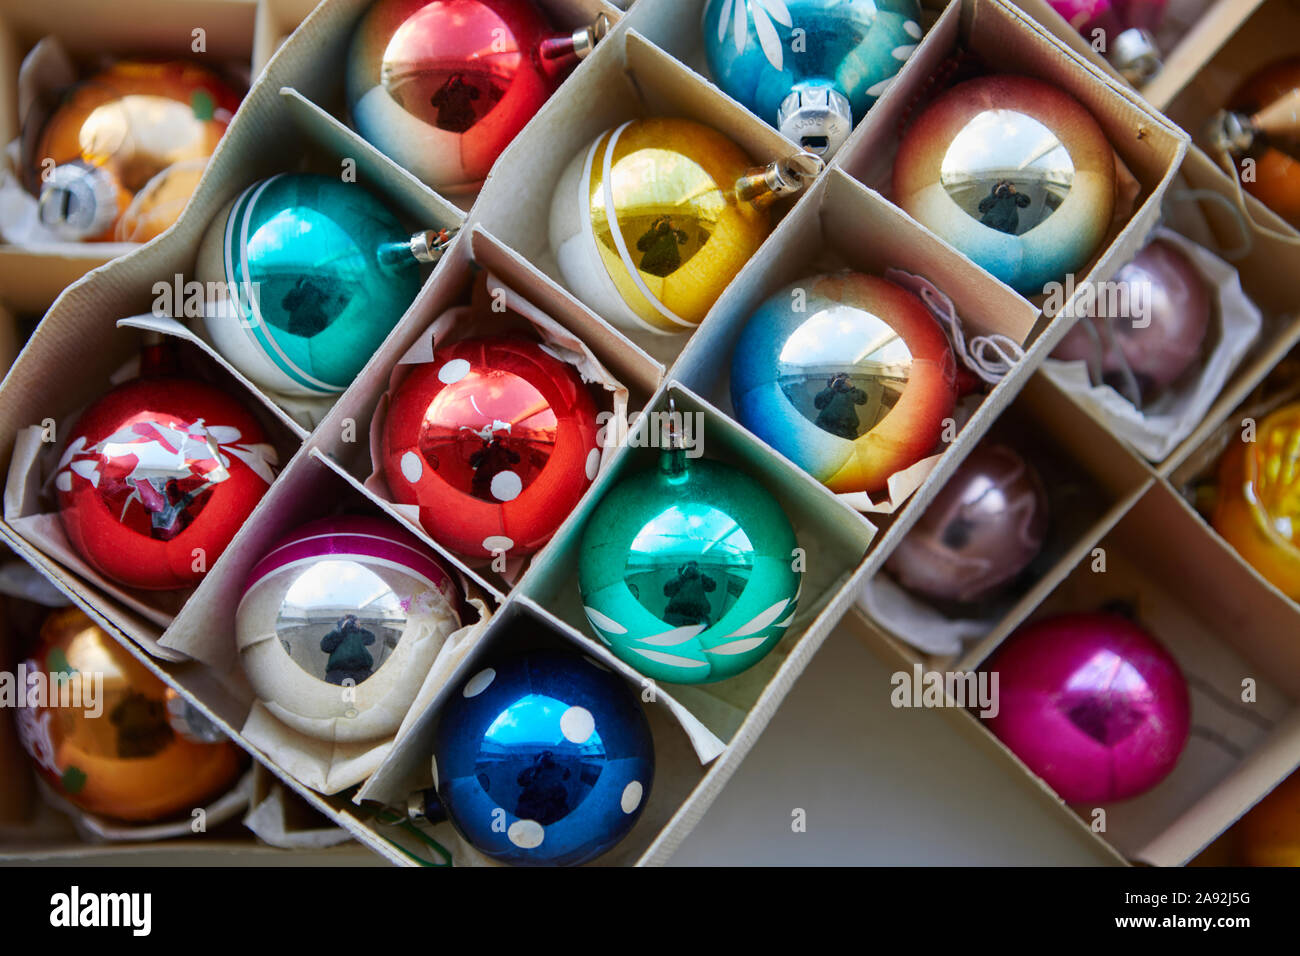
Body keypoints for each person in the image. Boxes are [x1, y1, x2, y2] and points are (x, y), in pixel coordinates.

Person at [320, 614, 377, 686]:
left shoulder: (358, 633)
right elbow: (325, 646)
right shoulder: (337, 634)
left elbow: (371, 639)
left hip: (362, 670)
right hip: (338, 672)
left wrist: (359, 628)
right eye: (347, 620)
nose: (349, 623)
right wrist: (340, 630)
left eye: (352, 621)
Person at [813, 372, 868, 439]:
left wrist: (852, 388)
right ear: (831, 381)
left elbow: (863, 400)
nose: (839, 383)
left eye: (842, 381)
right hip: (826, 428)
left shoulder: (851, 393)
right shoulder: (828, 392)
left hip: (847, 431)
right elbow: (817, 404)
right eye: (837, 380)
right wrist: (831, 389)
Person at [662, 560, 717, 626]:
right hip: (675, 613)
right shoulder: (677, 580)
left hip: (698, 615)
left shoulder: (701, 579)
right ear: (682, 569)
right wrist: (682, 577)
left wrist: (701, 575)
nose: (691, 570)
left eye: (694, 568)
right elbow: (667, 592)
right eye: (688, 567)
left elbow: (711, 587)